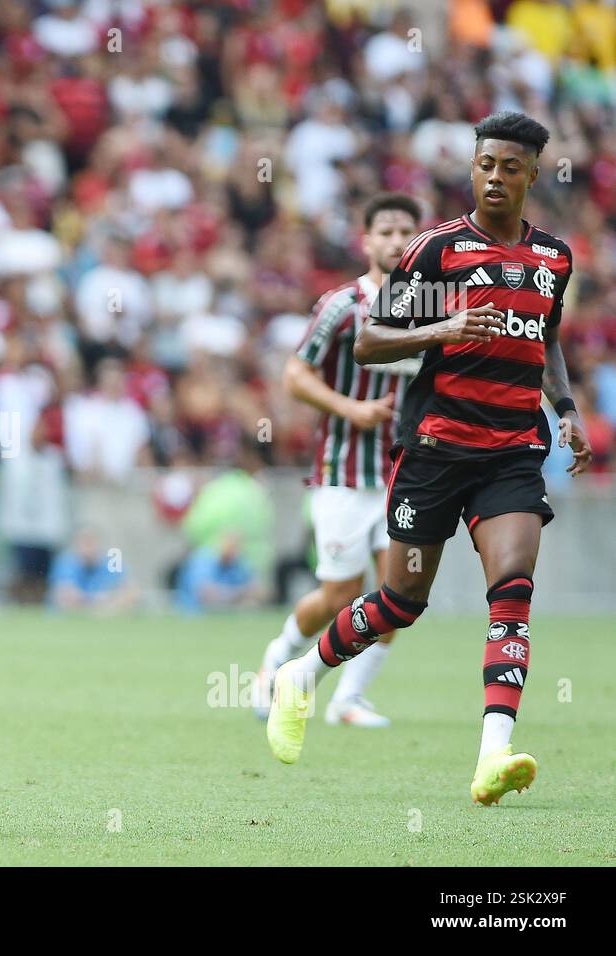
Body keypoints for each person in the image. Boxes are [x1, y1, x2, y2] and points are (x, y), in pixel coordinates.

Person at [266, 112, 594, 807]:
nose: (495, 176)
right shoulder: (439, 252)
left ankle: (492, 756)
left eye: (510, 165)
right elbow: (372, 339)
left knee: (511, 595)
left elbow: (549, 336)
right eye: (485, 164)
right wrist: (445, 327)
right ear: (472, 168)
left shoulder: (553, 259)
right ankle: (302, 674)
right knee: (399, 603)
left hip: (512, 453)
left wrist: (565, 412)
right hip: (436, 451)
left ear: (533, 172)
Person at [254, 193, 422, 728]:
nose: (396, 241)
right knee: (339, 595)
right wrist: (352, 408)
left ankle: (348, 698)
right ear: (367, 239)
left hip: (408, 476)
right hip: (344, 474)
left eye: (406, 232)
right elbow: (295, 375)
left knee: (396, 594)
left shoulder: (436, 310)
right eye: (386, 231)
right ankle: (274, 663)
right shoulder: (342, 305)